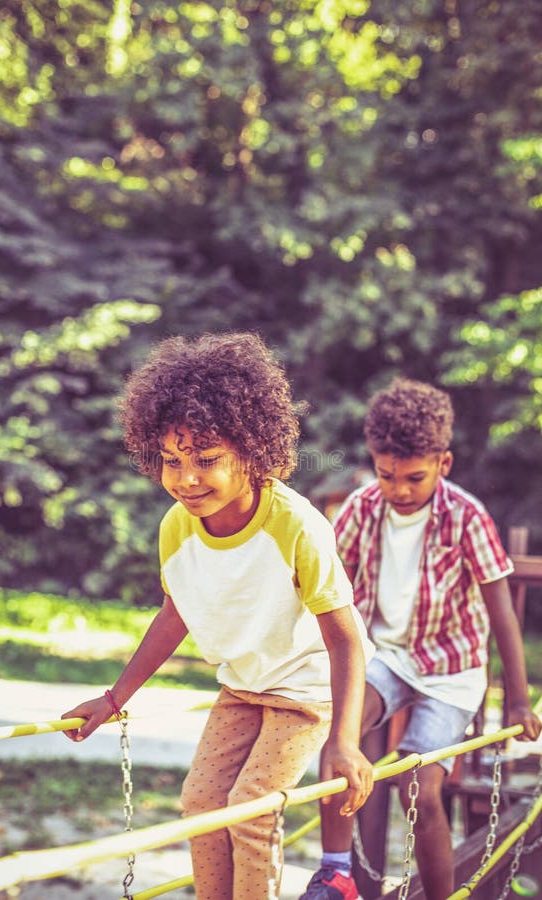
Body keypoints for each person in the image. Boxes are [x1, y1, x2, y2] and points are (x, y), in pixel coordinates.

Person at [62, 331, 374, 900]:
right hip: (242, 686)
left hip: (305, 694)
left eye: (207, 460)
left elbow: (346, 640)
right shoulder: (177, 527)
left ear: (252, 452)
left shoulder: (296, 526)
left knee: (249, 809)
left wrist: (345, 742)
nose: (186, 479)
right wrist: (115, 698)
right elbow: (174, 613)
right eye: (171, 460)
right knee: (202, 805)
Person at [300, 377, 541, 900]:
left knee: (419, 788)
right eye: (387, 476)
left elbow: (501, 611)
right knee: (341, 734)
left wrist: (518, 701)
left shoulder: (466, 516)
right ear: (373, 462)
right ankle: (336, 872)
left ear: (443, 465)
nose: (400, 490)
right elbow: (327, 593)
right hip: (387, 658)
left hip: (451, 673)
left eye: (414, 477)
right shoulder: (362, 510)